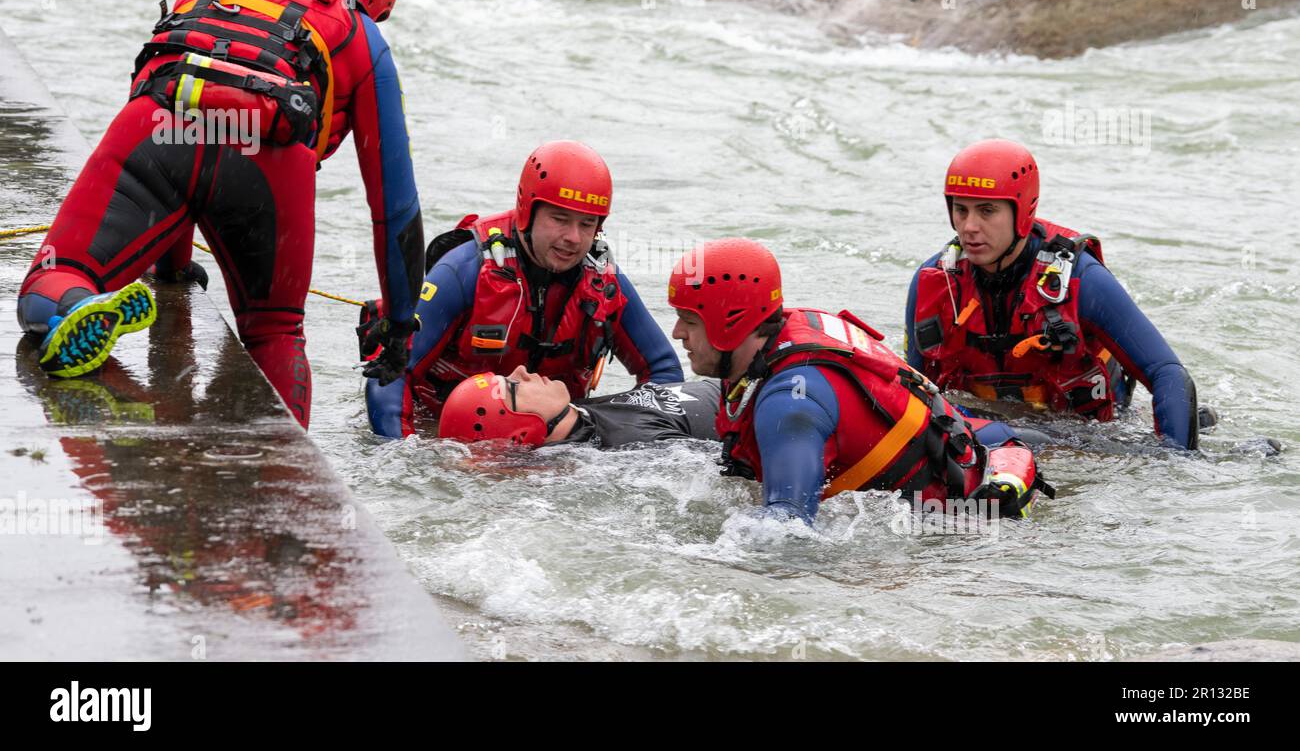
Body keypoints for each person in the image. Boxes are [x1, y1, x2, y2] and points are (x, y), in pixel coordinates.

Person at [16, 0, 425, 429]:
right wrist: (400, 325)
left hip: (161, 123)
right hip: (268, 155)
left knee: (50, 277)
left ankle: (72, 305)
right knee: (275, 331)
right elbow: (394, 203)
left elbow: (155, 73)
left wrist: (172, 271)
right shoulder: (357, 27)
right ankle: (283, 470)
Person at [666, 238, 1052, 525]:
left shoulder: (789, 403)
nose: (677, 332)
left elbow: (786, 535)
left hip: (971, 516)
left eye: (690, 320)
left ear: (730, 322)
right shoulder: (781, 343)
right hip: (982, 441)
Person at [365, 141, 683, 438]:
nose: (574, 237)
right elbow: (392, 372)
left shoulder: (604, 281)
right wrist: (405, 455)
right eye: (560, 219)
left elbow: (664, 372)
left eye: (587, 224)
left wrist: (621, 439)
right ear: (526, 210)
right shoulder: (461, 271)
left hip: (545, 443)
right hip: (449, 434)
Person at [904, 139, 1200, 449]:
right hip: (988, 434)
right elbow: (917, 392)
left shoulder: (1083, 281)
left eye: (987, 211)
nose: (969, 227)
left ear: (1023, 211)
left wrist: (1174, 466)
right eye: (960, 210)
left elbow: (1168, 374)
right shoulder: (934, 282)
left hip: (1090, 439)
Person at [436, 366, 719, 448]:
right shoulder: (631, 446)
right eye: (512, 386)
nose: (521, 370)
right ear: (522, 432)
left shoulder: (580, 413)